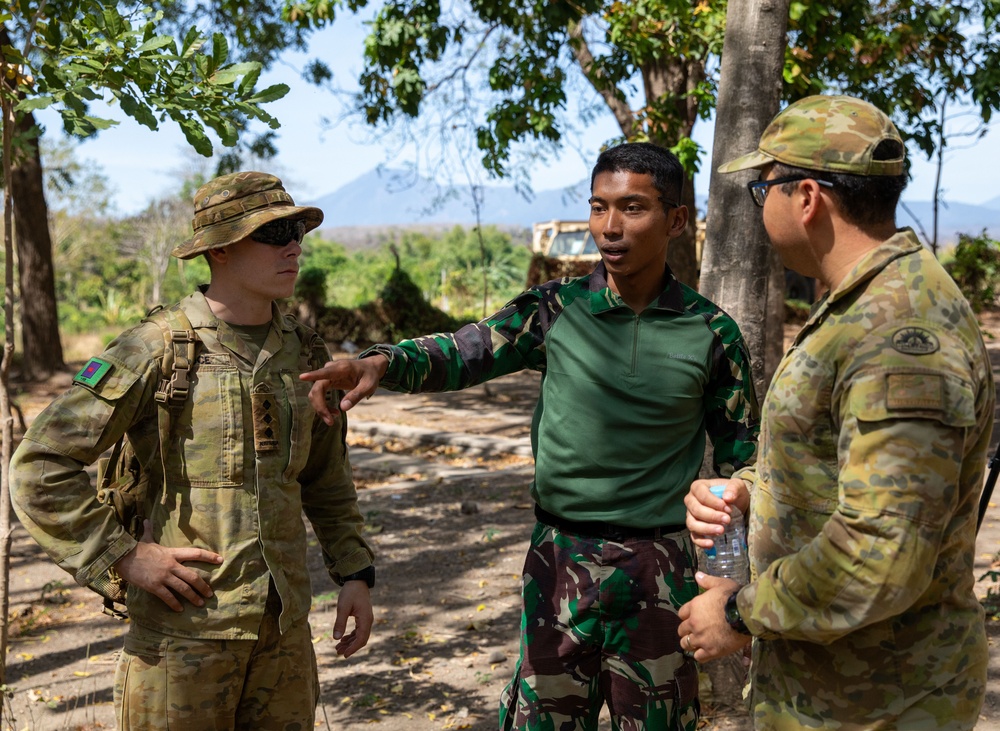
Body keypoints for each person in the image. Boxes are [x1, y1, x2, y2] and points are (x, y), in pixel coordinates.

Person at [301, 142, 760, 730]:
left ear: (676, 220)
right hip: (558, 559)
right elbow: (466, 351)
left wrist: (735, 587)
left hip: (661, 569)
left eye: (633, 208)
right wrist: (382, 362)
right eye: (598, 207)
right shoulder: (555, 309)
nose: (610, 227)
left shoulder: (710, 331)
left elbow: (743, 466)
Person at [11, 171, 376, 730]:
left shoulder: (304, 352)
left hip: (283, 637)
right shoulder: (157, 348)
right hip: (182, 641)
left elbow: (325, 476)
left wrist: (355, 572)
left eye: (297, 232)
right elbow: (40, 466)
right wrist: (123, 556)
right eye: (274, 233)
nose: (294, 247)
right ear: (220, 249)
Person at [677, 95, 995, 730]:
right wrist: (750, 493)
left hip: (880, 704)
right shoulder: (861, 306)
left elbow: (880, 552)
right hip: (831, 691)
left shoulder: (900, 333)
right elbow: (836, 468)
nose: (760, 207)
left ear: (806, 198)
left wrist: (738, 613)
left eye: (761, 189)